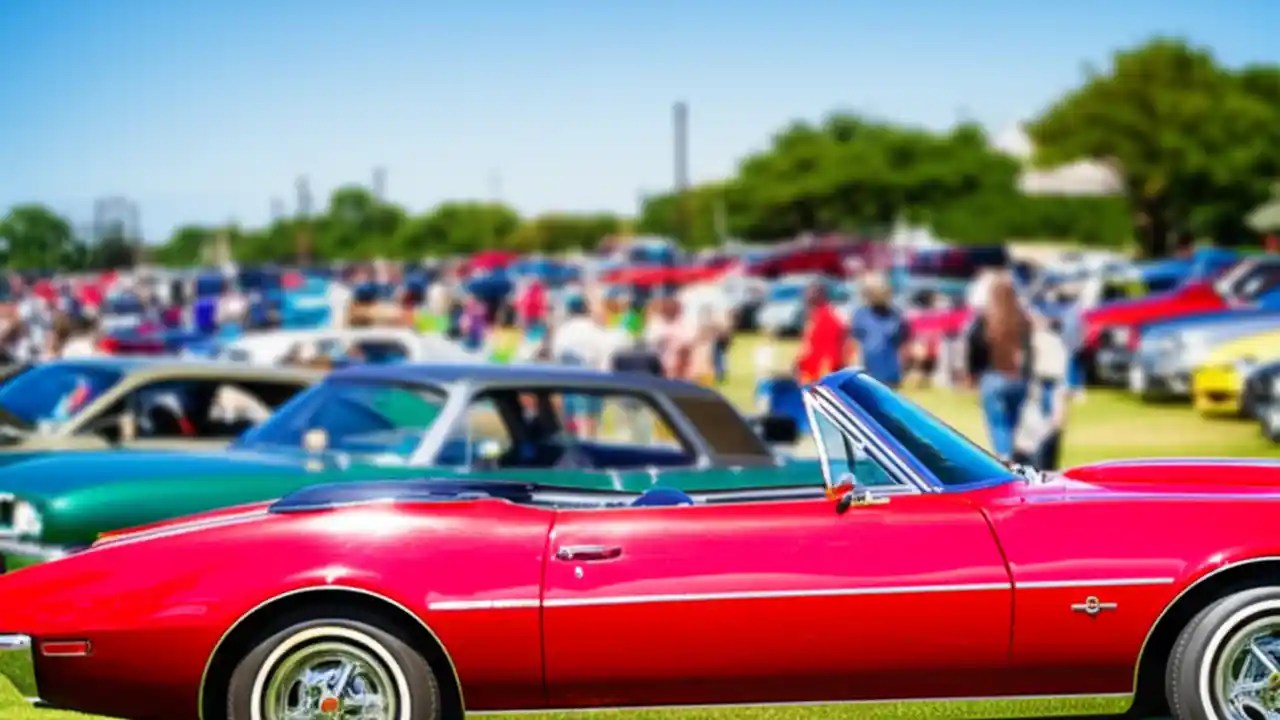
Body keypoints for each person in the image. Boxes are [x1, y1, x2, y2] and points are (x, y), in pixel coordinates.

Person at [965, 273, 1031, 461]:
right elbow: (1029, 350)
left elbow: (975, 345)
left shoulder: (985, 320)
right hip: (1018, 379)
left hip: (993, 377)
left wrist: (972, 373)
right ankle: (1013, 455)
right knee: (1012, 424)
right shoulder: (1023, 320)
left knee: (997, 424)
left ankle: (1004, 457)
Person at [1013, 313, 1071, 470]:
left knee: (1039, 444)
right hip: (1039, 392)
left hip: (1043, 391)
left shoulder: (1043, 341)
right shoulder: (1048, 341)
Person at [848, 273, 909, 388]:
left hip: (890, 373)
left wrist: (904, 369)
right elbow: (854, 344)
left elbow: (903, 345)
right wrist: (854, 369)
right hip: (866, 372)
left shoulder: (896, 315)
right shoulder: (860, 315)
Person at [795, 282, 847, 384]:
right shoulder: (815, 315)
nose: (806, 298)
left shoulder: (828, 317)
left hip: (820, 375)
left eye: (809, 294)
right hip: (809, 372)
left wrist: (824, 375)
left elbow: (831, 351)